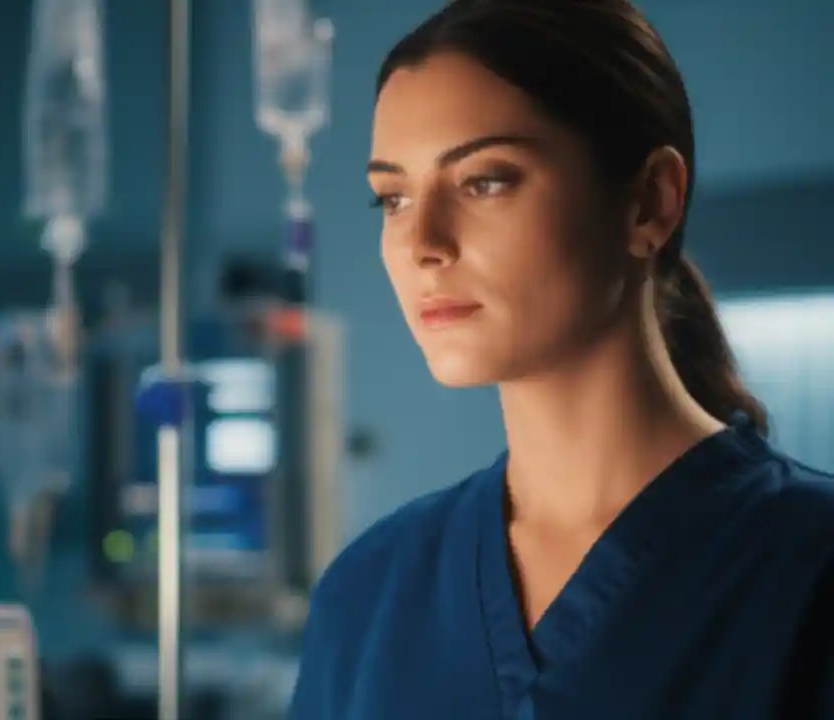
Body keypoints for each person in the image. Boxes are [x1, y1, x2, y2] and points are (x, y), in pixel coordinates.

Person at [287, 1, 834, 717]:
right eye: (392, 198)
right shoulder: (369, 595)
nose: (423, 242)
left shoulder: (806, 569)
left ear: (649, 203)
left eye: (484, 181)